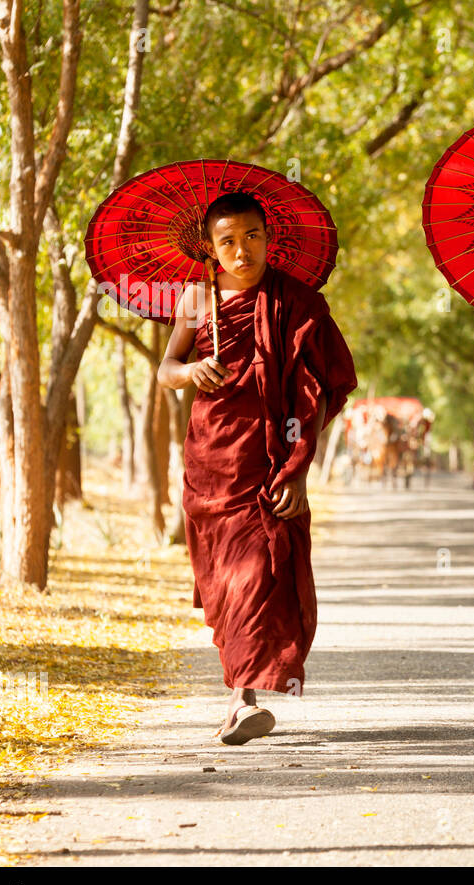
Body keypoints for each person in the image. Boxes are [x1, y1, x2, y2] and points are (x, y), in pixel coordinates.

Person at [157, 192, 357, 745]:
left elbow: (315, 394)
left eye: (251, 238)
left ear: (268, 238)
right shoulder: (196, 300)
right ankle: (237, 696)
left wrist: (297, 471)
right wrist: (192, 369)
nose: (241, 252)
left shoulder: (297, 303)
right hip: (210, 462)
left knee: (254, 575)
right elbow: (165, 370)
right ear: (210, 247)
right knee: (223, 582)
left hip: (268, 465)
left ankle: (243, 698)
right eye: (227, 241)